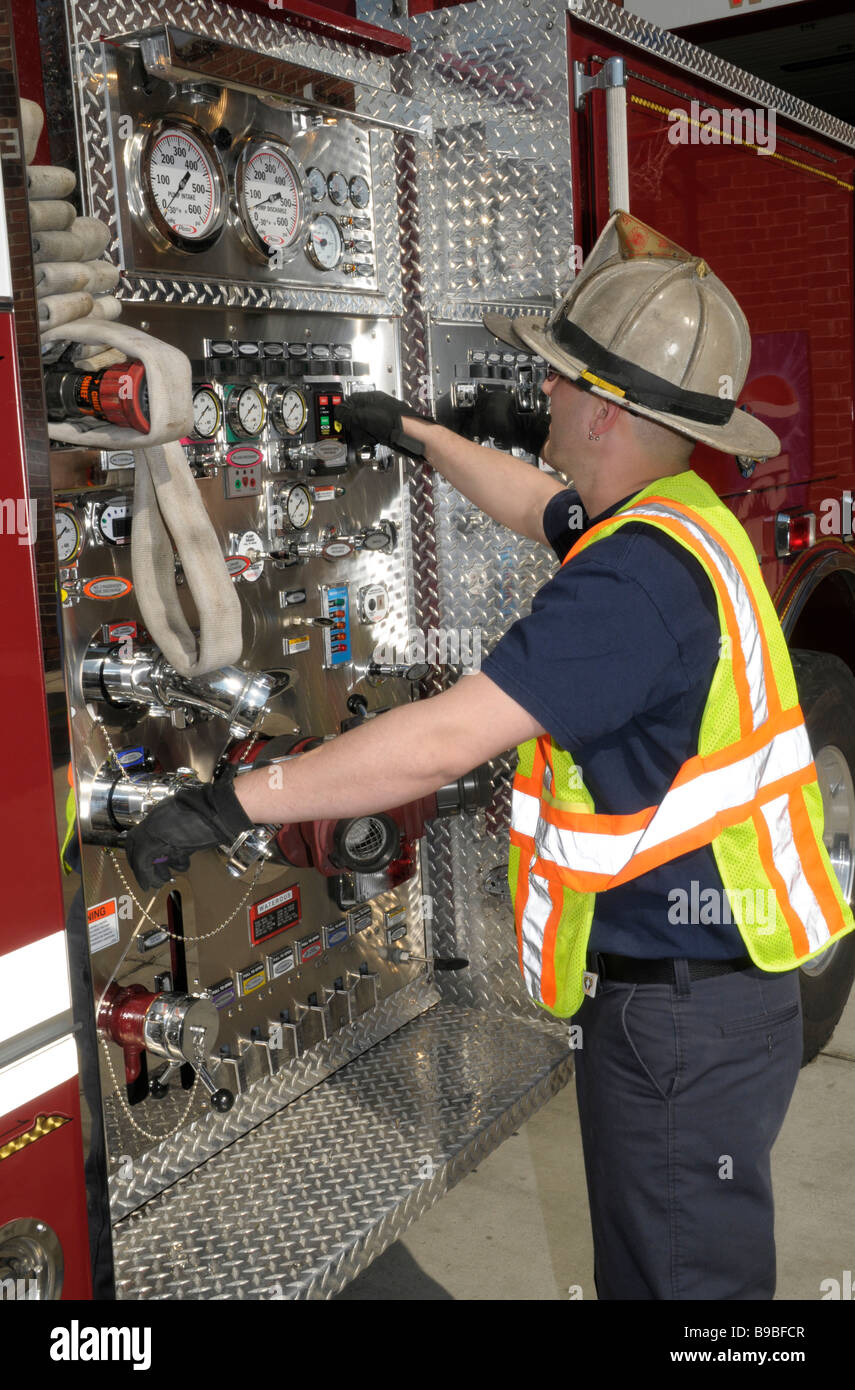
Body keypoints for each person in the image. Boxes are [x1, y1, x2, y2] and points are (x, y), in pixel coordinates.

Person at [126, 211, 854, 1300]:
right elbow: (540, 505)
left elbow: (443, 737)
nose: (542, 394)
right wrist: (413, 433)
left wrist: (239, 800)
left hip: (682, 1023)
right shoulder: (673, 514)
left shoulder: (631, 585)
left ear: (606, 411)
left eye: (559, 380)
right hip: (717, 1000)